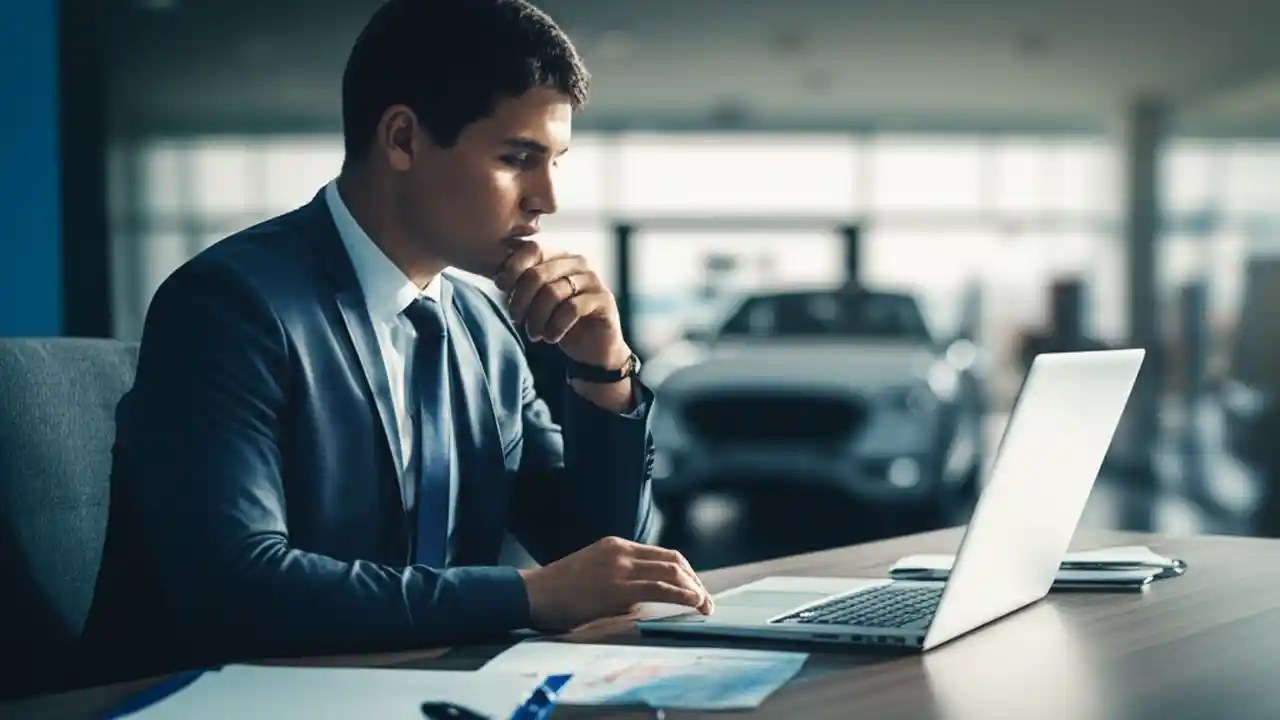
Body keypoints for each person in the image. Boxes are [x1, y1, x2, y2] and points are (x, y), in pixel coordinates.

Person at [82, 0, 712, 685]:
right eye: (516, 158)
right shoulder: (231, 306)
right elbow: (238, 591)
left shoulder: (482, 328)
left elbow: (597, 557)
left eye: (556, 161)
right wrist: (527, 596)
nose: (547, 199)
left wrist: (603, 370)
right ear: (404, 139)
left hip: (429, 684)